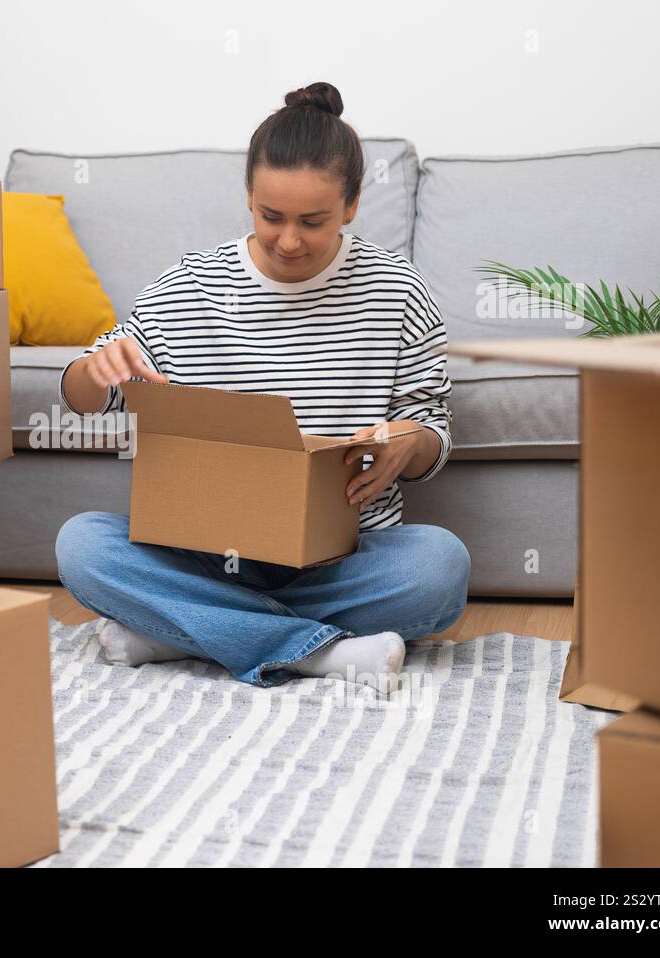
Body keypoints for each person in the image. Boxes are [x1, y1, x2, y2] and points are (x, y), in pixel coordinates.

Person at [54, 81, 470, 691]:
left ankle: (182, 632)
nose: (289, 240)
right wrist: (94, 369)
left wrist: (411, 441)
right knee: (81, 545)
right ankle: (318, 653)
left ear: (352, 206)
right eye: (270, 216)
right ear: (249, 196)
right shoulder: (189, 287)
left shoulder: (398, 291)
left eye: (314, 221)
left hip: (341, 561)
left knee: (440, 566)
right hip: (204, 558)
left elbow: (431, 431)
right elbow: (84, 394)